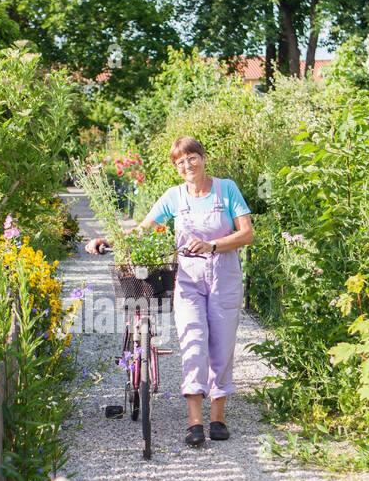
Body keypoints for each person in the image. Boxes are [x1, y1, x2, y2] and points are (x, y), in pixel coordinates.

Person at [86, 137, 253, 446]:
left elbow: (246, 234)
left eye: (191, 158)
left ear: (203, 157)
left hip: (225, 277)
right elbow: (141, 231)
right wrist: (105, 239)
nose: (187, 165)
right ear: (176, 168)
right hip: (188, 279)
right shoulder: (173, 197)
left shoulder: (226, 189)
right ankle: (195, 421)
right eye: (180, 162)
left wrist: (213, 244)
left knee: (222, 345)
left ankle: (218, 416)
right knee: (192, 341)